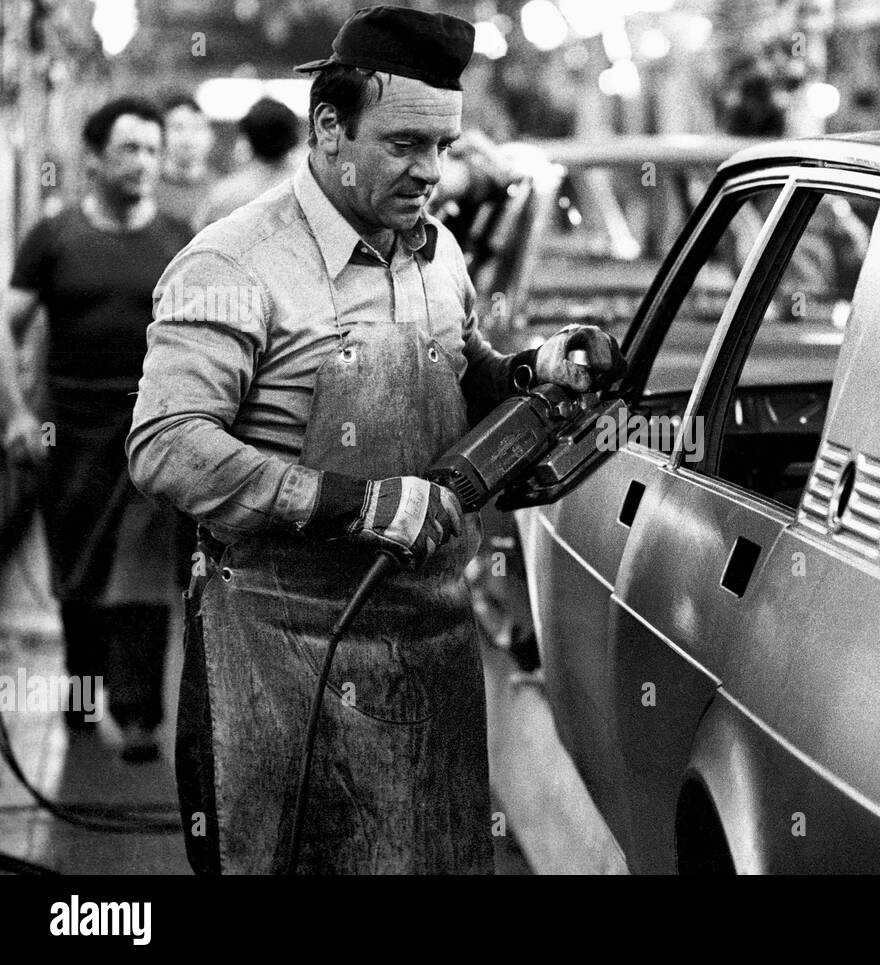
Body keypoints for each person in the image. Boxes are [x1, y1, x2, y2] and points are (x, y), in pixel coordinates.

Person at [127, 6, 624, 874]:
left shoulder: (437, 254)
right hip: (281, 646)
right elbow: (167, 444)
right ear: (329, 127)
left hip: (430, 637)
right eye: (402, 145)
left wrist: (534, 369)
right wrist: (356, 502)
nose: (430, 172)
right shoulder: (234, 265)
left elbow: (462, 365)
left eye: (442, 147)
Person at [0, 97, 192, 761]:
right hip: (69, 433)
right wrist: (18, 413)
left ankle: (136, 714)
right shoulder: (53, 239)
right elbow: (7, 324)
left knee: (142, 576)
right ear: (94, 159)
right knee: (77, 576)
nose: (144, 163)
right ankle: (83, 691)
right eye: (129, 149)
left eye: (152, 150)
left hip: (149, 432)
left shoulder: (179, 236)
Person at [198, 97, 302, 226]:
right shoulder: (309, 192)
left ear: (247, 139)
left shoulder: (225, 196)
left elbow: (199, 237)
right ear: (294, 139)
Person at [155, 94, 215, 231]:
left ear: (211, 136)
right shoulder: (145, 189)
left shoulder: (221, 190)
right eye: (178, 128)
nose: (188, 138)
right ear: (161, 134)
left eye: (197, 128)